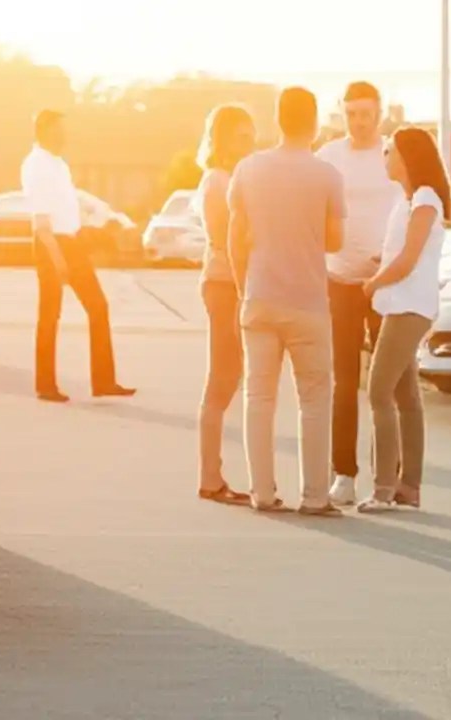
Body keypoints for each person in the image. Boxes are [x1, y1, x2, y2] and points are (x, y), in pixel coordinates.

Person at [227, 87, 344, 517]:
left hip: (259, 295)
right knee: (314, 398)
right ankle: (315, 496)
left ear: (278, 121)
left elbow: (234, 238)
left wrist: (244, 287)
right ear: (313, 123)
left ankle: (262, 492)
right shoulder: (327, 175)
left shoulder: (248, 169)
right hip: (308, 301)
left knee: (259, 397)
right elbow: (336, 240)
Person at [356, 127, 450, 513]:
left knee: (379, 391)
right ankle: (408, 487)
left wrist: (374, 282)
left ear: (408, 156)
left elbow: (410, 258)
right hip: (400, 303)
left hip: (410, 307)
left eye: (390, 151)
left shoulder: (425, 198)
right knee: (406, 397)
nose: (385, 157)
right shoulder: (407, 199)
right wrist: (381, 269)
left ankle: (383, 489)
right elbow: (404, 253)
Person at [317, 81, 401, 506]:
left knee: (388, 386)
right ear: (342, 113)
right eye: (351, 113)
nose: (359, 121)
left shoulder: (392, 154)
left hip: (384, 282)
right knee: (344, 381)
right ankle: (343, 474)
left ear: (379, 112)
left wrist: (390, 261)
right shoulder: (328, 157)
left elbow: (410, 213)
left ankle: (390, 479)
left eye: (365, 112)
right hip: (338, 281)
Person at [21, 110, 135, 403]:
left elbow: (68, 204)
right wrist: (57, 259)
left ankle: (104, 381)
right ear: (44, 129)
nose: (64, 134)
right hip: (51, 245)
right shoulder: (36, 165)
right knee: (49, 316)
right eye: (59, 128)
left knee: (98, 306)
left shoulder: (59, 164)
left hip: (71, 242)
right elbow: (41, 222)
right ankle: (45, 386)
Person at [194, 104, 257, 505]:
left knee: (230, 377)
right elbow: (225, 239)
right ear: (221, 138)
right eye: (241, 135)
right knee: (222, 379)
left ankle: (212, 474)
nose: (249, 142)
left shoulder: (231, 178)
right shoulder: (218, 181)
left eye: (252, 134)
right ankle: (210, 478)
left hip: (231, 283)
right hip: (224, 284)